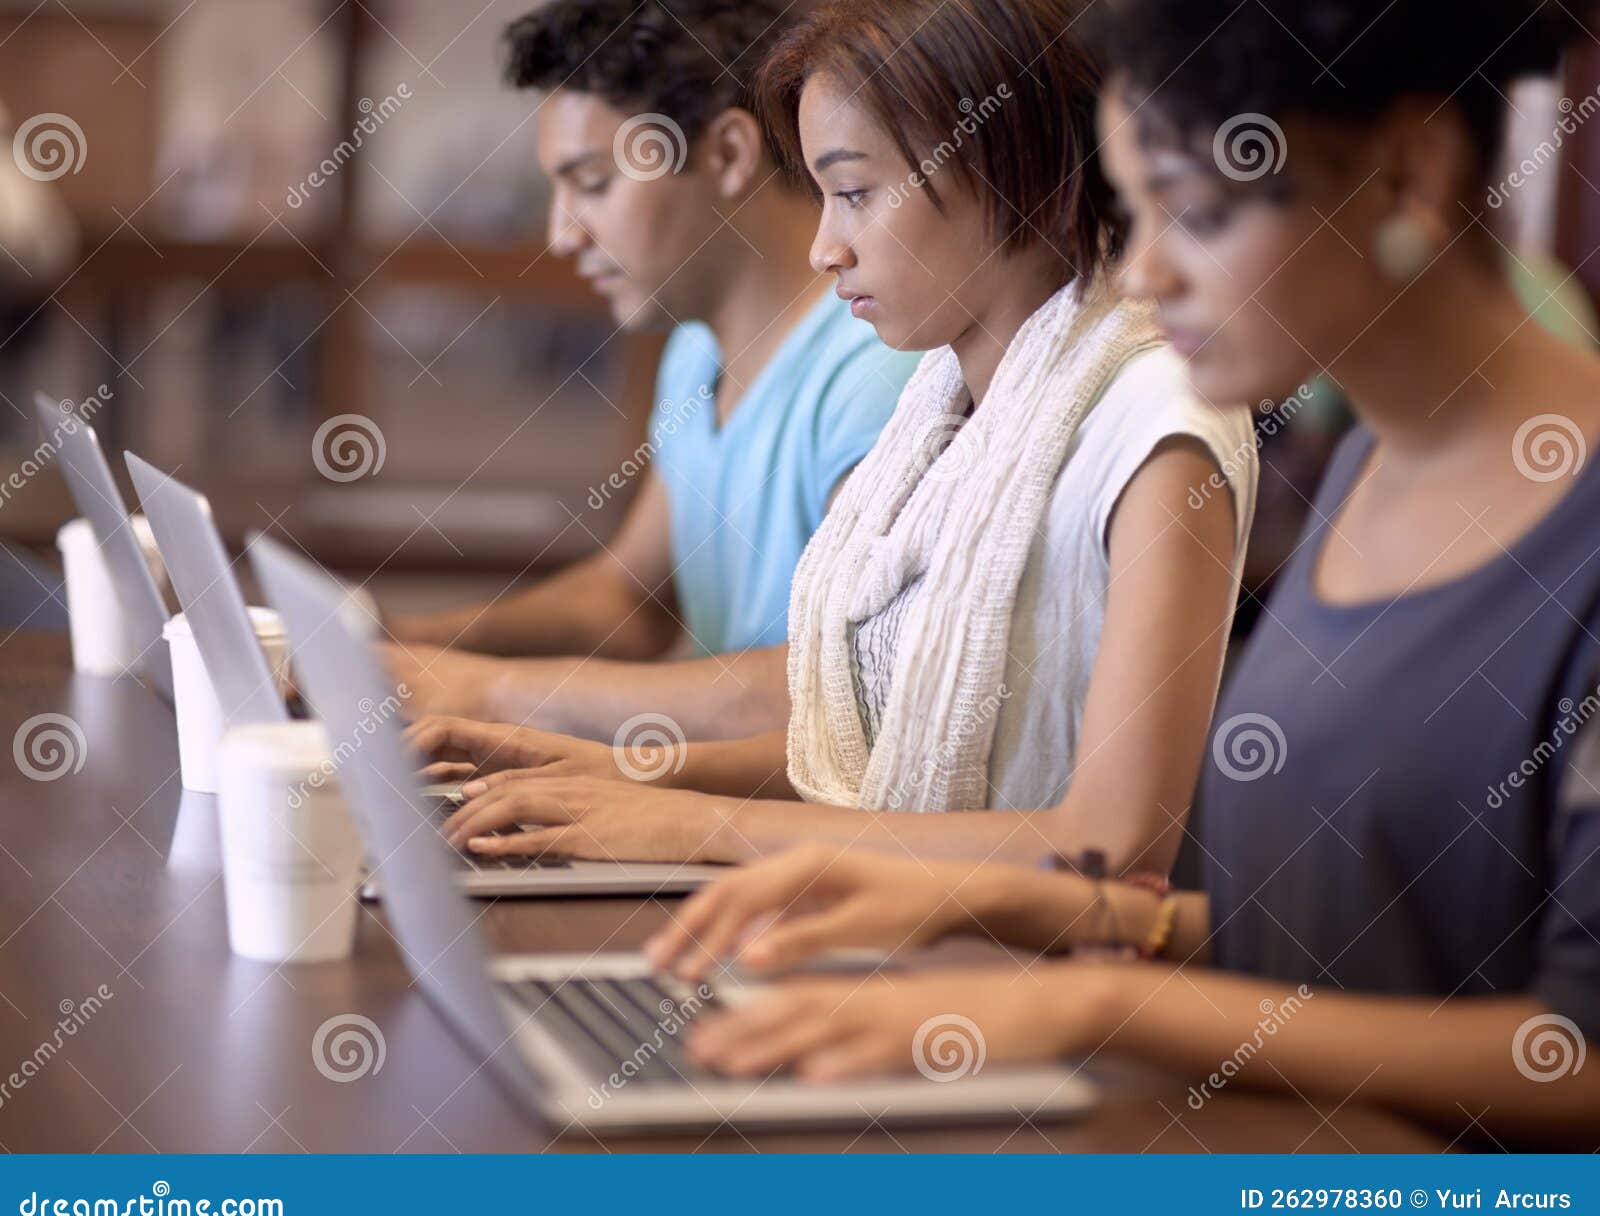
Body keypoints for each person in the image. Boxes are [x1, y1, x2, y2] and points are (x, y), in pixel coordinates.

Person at [641, 0, 1600, 1149]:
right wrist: (1006, 900)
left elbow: (1570, 1055)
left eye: (1191, 213)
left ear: (1406, 175)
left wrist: (1097, 995)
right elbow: (1341, 938)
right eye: (1133, 210)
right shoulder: (1369, 470)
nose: (1142, 271)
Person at [414, 0, 1257, 878]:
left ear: (1013, 168)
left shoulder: (1155, 423)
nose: (824, 248)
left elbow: (1111, 852)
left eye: (853, 193)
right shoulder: (945, 412)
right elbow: (860, 754)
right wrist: (614, 773)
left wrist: (696, 823)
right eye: (824, 196)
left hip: (1006, 987)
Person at [385, 0, 919, 741]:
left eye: (594, 182)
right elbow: (632, 601)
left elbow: (844, 692)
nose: (562, 234)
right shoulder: (695, 348)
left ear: (728, 155)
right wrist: (404, 639)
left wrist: (492, 693)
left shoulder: (877, 372)